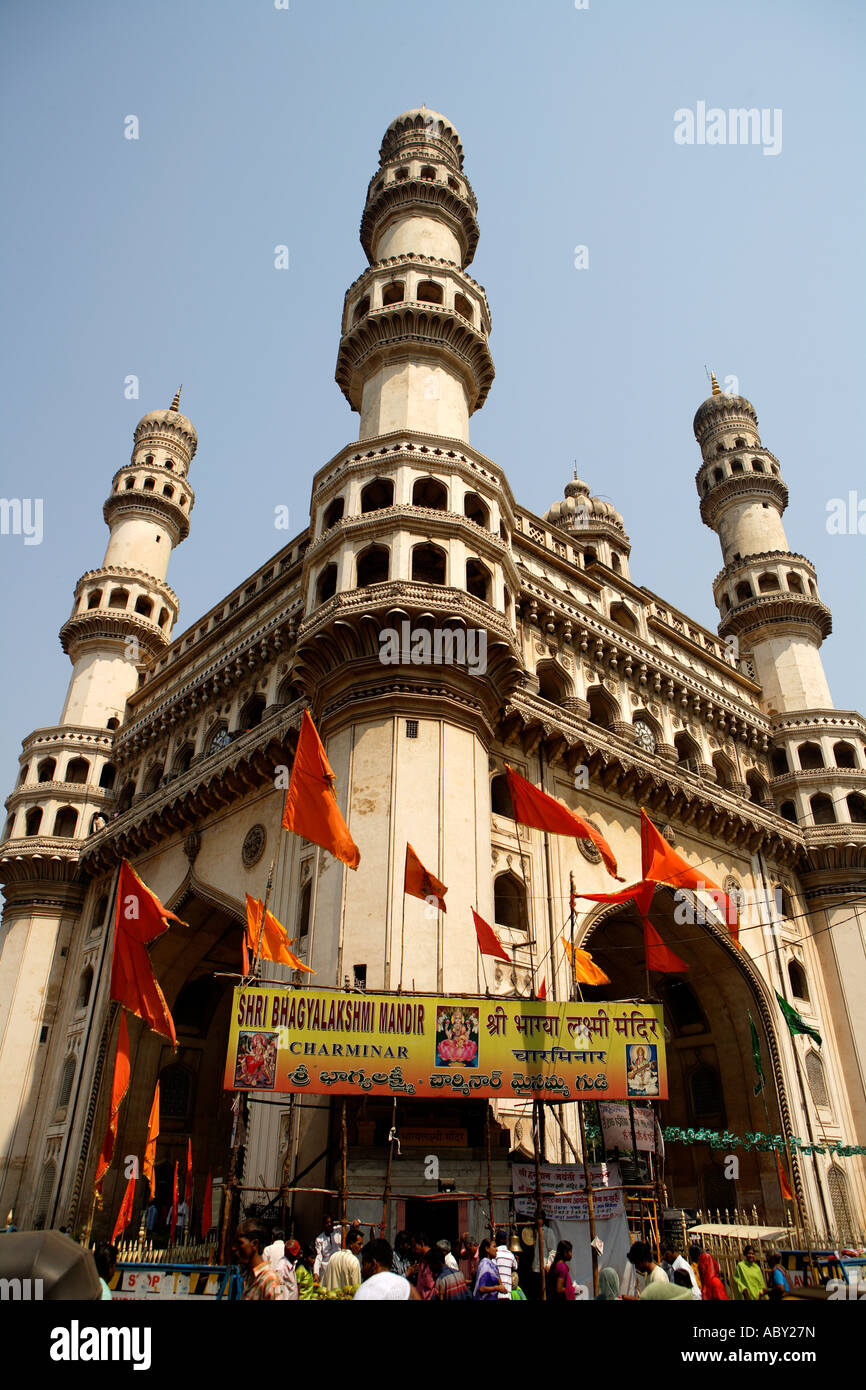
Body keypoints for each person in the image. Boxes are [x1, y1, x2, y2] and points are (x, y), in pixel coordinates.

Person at [234, 1219, 288, 1300]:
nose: (234, 1248)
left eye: (240, 1243)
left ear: (254, 1244)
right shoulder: (249, 1277)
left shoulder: (270, 1280)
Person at [353, 1239, 418, 1300]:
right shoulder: (406, 1287)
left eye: (364, 1264)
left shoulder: (364, 1292)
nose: (362, 1270)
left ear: (373, 1264)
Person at [313, 1214, 341, 1279]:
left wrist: (357, 1222)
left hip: (338, 1268)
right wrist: (316, 1272)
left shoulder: (339, 1230)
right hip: (326, 1271)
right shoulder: (319, 1239)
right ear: (323, 1225)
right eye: (327, 1223)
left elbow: (352, 1226)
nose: (329, 1224)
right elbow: (319, 1257)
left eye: (330, 1222)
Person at [410, 1233, 436, 1300]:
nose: (413, 1250)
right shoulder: (422, 1260)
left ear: (421, 1243)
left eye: (414, 1246)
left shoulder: (433, 1259)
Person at [495, 1227, 518, 1300]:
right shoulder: (510, 1255)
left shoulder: (495, 1254)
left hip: (497, 1293)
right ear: (506, 1240)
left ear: (496, 1240)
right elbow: (516, 1267)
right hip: (507, 1294)